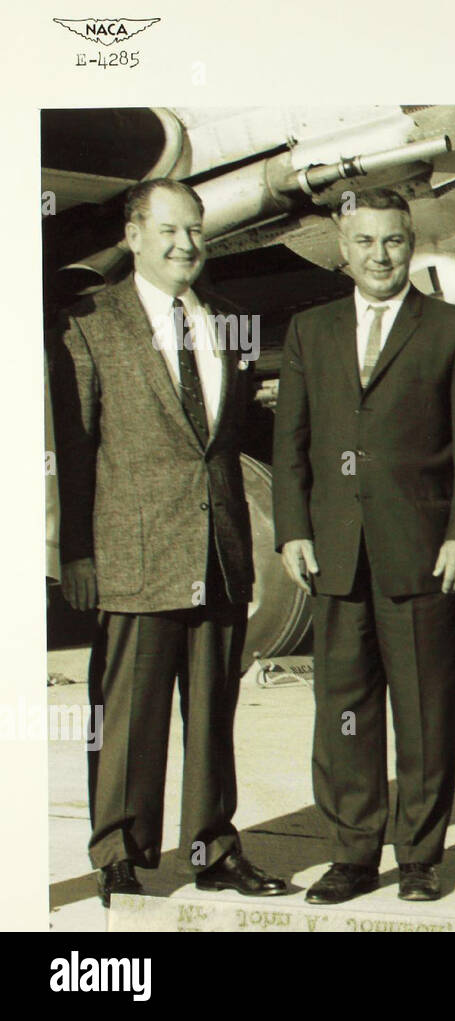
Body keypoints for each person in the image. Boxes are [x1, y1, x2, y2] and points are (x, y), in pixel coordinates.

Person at [49, 178, 286, 906]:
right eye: (170, 232)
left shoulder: (226, 318)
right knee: (128, 716)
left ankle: (214, 847)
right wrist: (75, 552)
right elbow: (74, 447)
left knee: (213, 712)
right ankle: (119, 853)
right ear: (133, 235)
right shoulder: (89, 320)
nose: (187, 245)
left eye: (195, 231)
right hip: (134, 549)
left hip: (218, 548)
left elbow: (221, 439)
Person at [272, 187, 455, 904]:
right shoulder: (311, 330)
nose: (380, 255)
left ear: (412, 244)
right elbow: (293, 445)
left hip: (423, 551)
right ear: (344, 251)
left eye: (394, 241)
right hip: (337, 553)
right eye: (366, 242)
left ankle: (421, 856)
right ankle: (352, 853)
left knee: (427, 709)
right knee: (343, 708)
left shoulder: (453, 329)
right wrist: (293, 530)